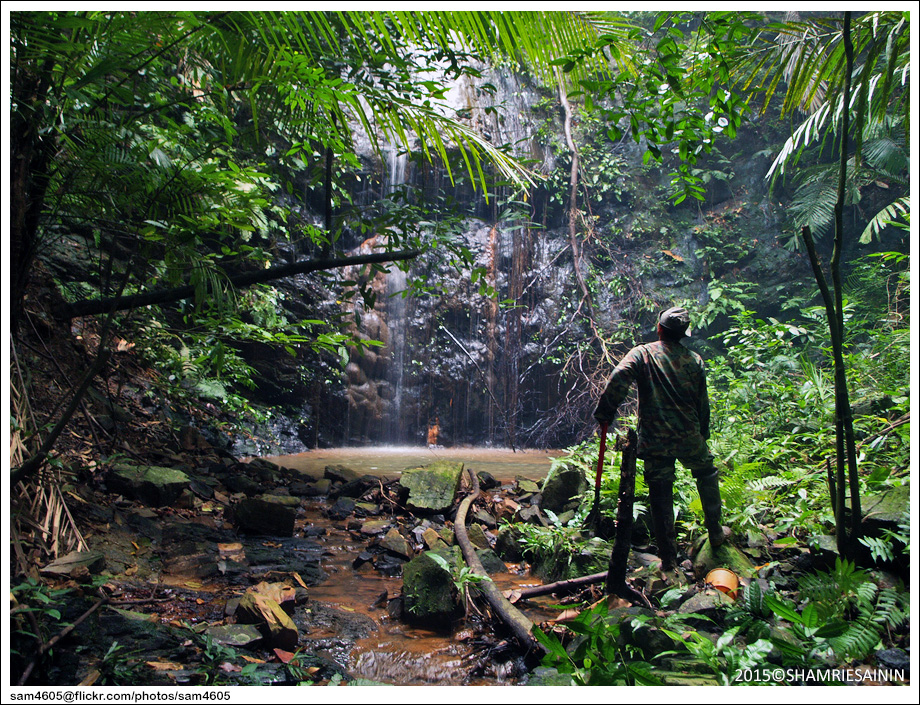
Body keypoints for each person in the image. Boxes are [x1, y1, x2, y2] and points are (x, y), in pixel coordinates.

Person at [593, 306, 725, 572]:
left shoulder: (642, 354)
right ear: (683, 335)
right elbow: (703, 405)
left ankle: (668, 559)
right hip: (689, 435)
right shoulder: (695, 360)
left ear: (660, 329)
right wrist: (703, 434)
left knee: (660, 491)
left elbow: (619, 378)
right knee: (706, 473)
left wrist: (605, 412)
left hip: (655, 439)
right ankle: (716, 531)